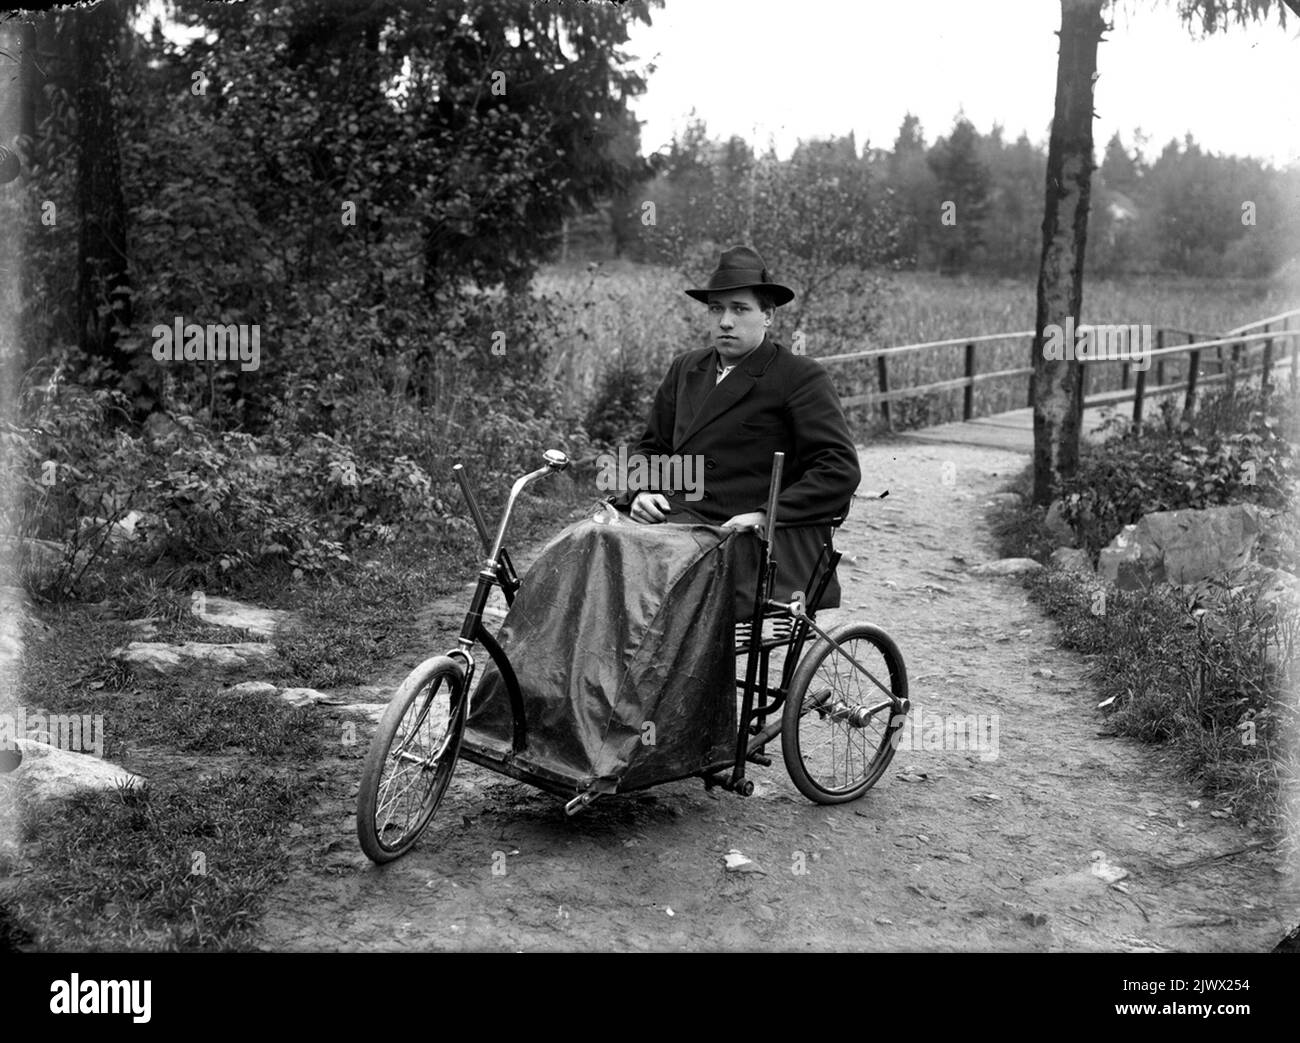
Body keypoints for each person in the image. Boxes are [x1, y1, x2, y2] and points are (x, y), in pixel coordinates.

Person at [614, 245, 861, 616]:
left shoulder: (798, 377)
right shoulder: (686, 369)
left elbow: (838, 468)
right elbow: (653, 447)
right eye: (716, 309)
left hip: (742, 538)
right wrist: (640, 490)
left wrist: (765, 515)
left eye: (740, 309)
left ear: (768, 316)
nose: (725, 321)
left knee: (632, 571)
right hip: (675, 522)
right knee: (591, 537)